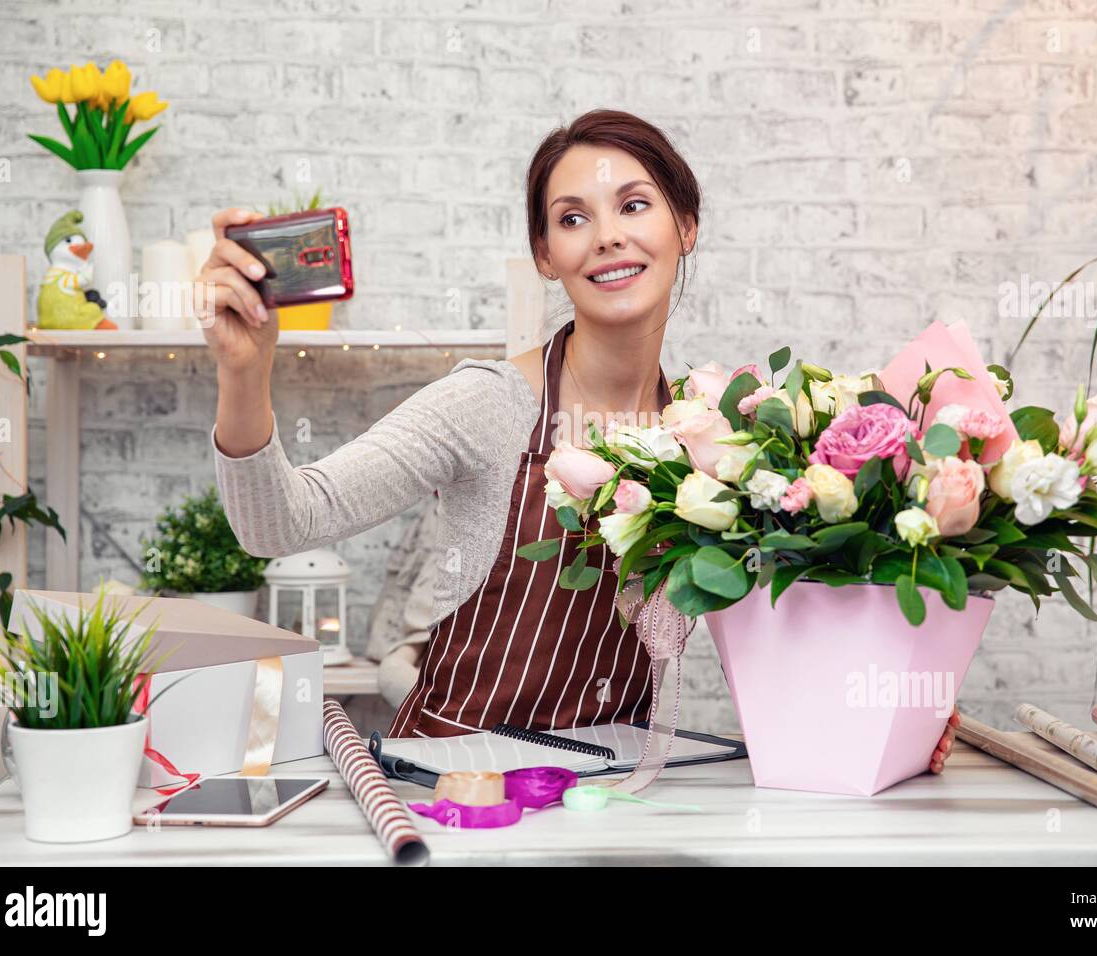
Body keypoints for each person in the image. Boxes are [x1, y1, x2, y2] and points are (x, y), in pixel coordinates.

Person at [200, 108, 960, 770]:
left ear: (684, 227)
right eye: (572, 218)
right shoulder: (488, 405)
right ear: (544, 255)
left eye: (634, 205)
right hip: (460, 790)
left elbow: (791, 629)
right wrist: (244, 376)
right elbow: (278, 525)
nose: (606, 237)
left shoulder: (721, 434)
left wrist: (882, 718)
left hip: (614, 796)